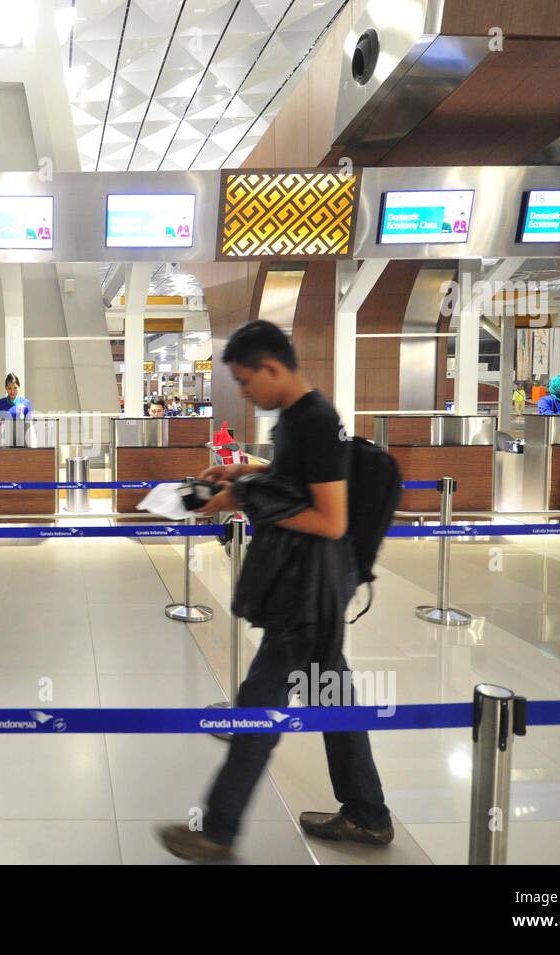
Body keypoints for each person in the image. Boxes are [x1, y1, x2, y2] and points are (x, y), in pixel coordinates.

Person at [158, 320, 392, 862]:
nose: (243, 392)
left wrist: (241, 498)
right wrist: (243, 470)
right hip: (311, 592)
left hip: (306, 597)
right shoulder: (297, 420)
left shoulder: (313, 419)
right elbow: (296, 479)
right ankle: (367, 813)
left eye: (244, 381)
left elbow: (330, 520)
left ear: (271, 367)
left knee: (257, 713)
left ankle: (217, 832)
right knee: (334, 700)